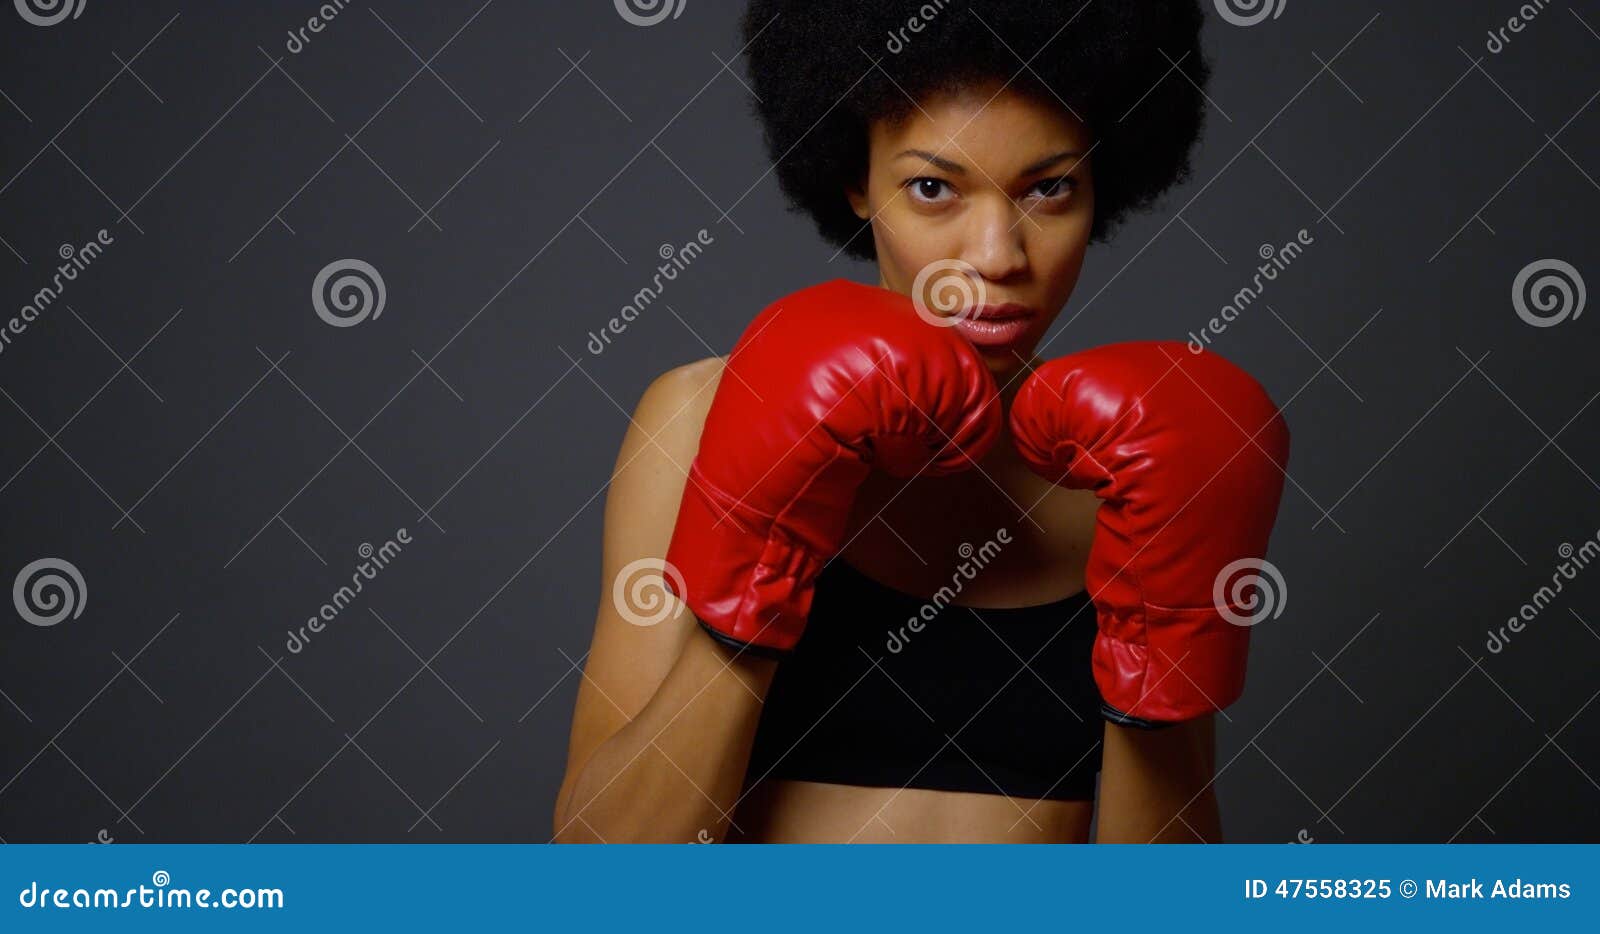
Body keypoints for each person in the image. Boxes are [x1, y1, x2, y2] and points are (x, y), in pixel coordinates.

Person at [553, 0, 1289, 843]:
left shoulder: (1133, 460)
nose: (997, 256)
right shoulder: (698, 417)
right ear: (857, 184)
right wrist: (750, 596)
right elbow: (595, 868)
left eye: (1050, 188)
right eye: (933, 187)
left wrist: (1157, 680)